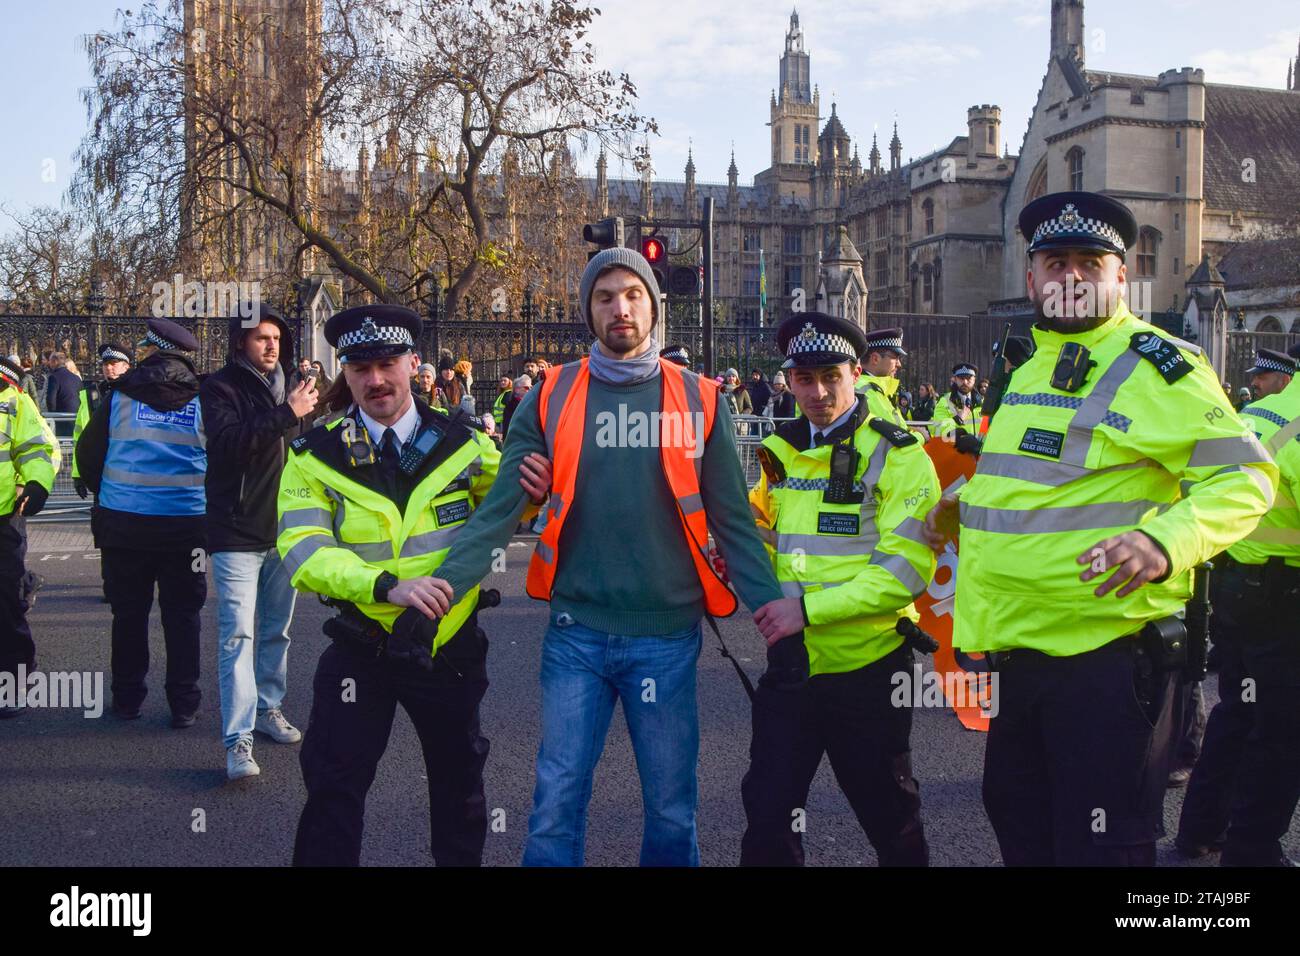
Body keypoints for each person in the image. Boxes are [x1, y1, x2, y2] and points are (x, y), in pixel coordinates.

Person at [922, 190, 1277, 866]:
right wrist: (961, 513)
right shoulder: (1027, 367)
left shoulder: (1157, 364)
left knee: (1101, 849)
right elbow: (1040, 489)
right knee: (1024, 830)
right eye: (1055, 262)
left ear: (1122, 276)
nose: (1072, 276)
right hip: (1020, 660)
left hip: (1105, 665)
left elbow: (1248, 479)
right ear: (1031, 278)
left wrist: (1163, 542)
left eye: (1092, 261)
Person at [429, 246, 786, 867]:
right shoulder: (550, 396)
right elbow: (494, 518)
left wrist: (778, 616)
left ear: (652, 306)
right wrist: (438, 590)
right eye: (604, 296)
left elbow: (733, 524)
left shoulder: (702, 399)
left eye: (632, 294)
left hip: (667, 637)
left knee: (672, 811)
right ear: (589, 312)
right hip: (577, 634)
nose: (619, 308)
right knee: (555, 803)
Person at [276, 305, 552, 866]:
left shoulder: (466, 443)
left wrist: (535, 493)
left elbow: (505, 509)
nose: (375, 380)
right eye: (359, 367)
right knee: (332, 790)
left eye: (386, 364)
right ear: (343, 372)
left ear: (412, 363)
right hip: (362, 645)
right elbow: (304, 552)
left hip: (445, 647)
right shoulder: (313, 455)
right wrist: (385, 587)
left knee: (460, 792)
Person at [737, 312, 939, 866]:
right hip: (792, 664)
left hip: (869, 668)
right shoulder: (778, 450)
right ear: (788, 380)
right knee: (767, 816)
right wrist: (740, 552)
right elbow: (771, 535)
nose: (819, 392)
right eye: (804, 378)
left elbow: (905, 570)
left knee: (890, 816)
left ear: (856, 371)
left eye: (831, 375)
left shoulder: (898, 453)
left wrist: (807, 610)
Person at [1176, 350, 1300, 866]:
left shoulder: (1254, 415)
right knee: (1282, 733)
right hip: (1284, 597)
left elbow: (1195, 489)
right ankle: (1252, 851)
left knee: (1237, 713)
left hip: (1233, 587)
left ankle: (1202, 829)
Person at [202, 305, 319, 778]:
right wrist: (285, 413)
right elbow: (229, 446)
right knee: (237, 636)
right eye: (260, 338)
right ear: (239, 344)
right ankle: (237, 739)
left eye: (276, 338)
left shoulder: (292, 389)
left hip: (283, 532)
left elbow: (305, 454)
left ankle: (268, 707)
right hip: (235, 531)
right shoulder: (219, 388)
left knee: (276, 630)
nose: (271, 345)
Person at [76, 318, 209, 725]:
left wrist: (111, 495)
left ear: (149, 351)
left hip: (125, 525)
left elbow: (88, 454)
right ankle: (183, 703)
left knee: (129, 615)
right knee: (183, 616)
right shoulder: (204, 399)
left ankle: (128, 697)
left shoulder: (118, 397)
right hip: (187, 526)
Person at [0, 355, 59, 718]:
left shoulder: (11, 397)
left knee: (4, 603)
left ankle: (13, 680)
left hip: (3, 515)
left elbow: (35, 447)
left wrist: (36, 483)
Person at [854, 327, 908, 427]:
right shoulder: (866, 392)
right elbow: (894, 439)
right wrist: (921, 435)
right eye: (895, 357)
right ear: (875, 359)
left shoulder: (876, 389)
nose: (899, 364)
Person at [931, 363, 981, 438]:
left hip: (980, 448)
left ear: (974, 380)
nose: (965, 382)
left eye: (968, 378)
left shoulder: (982, 402)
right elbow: (937, 430)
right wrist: (958, 420)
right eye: (961, 378)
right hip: (955, 449)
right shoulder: (944, 401)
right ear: (955, 379)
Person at [44, 351, 82, 417]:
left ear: (55, 361)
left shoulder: (54, 377)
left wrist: (52, 415)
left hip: (62, 416)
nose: (49, 363)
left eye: (50, 360)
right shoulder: (76, 377)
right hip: (77, 415)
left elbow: (51, 400)